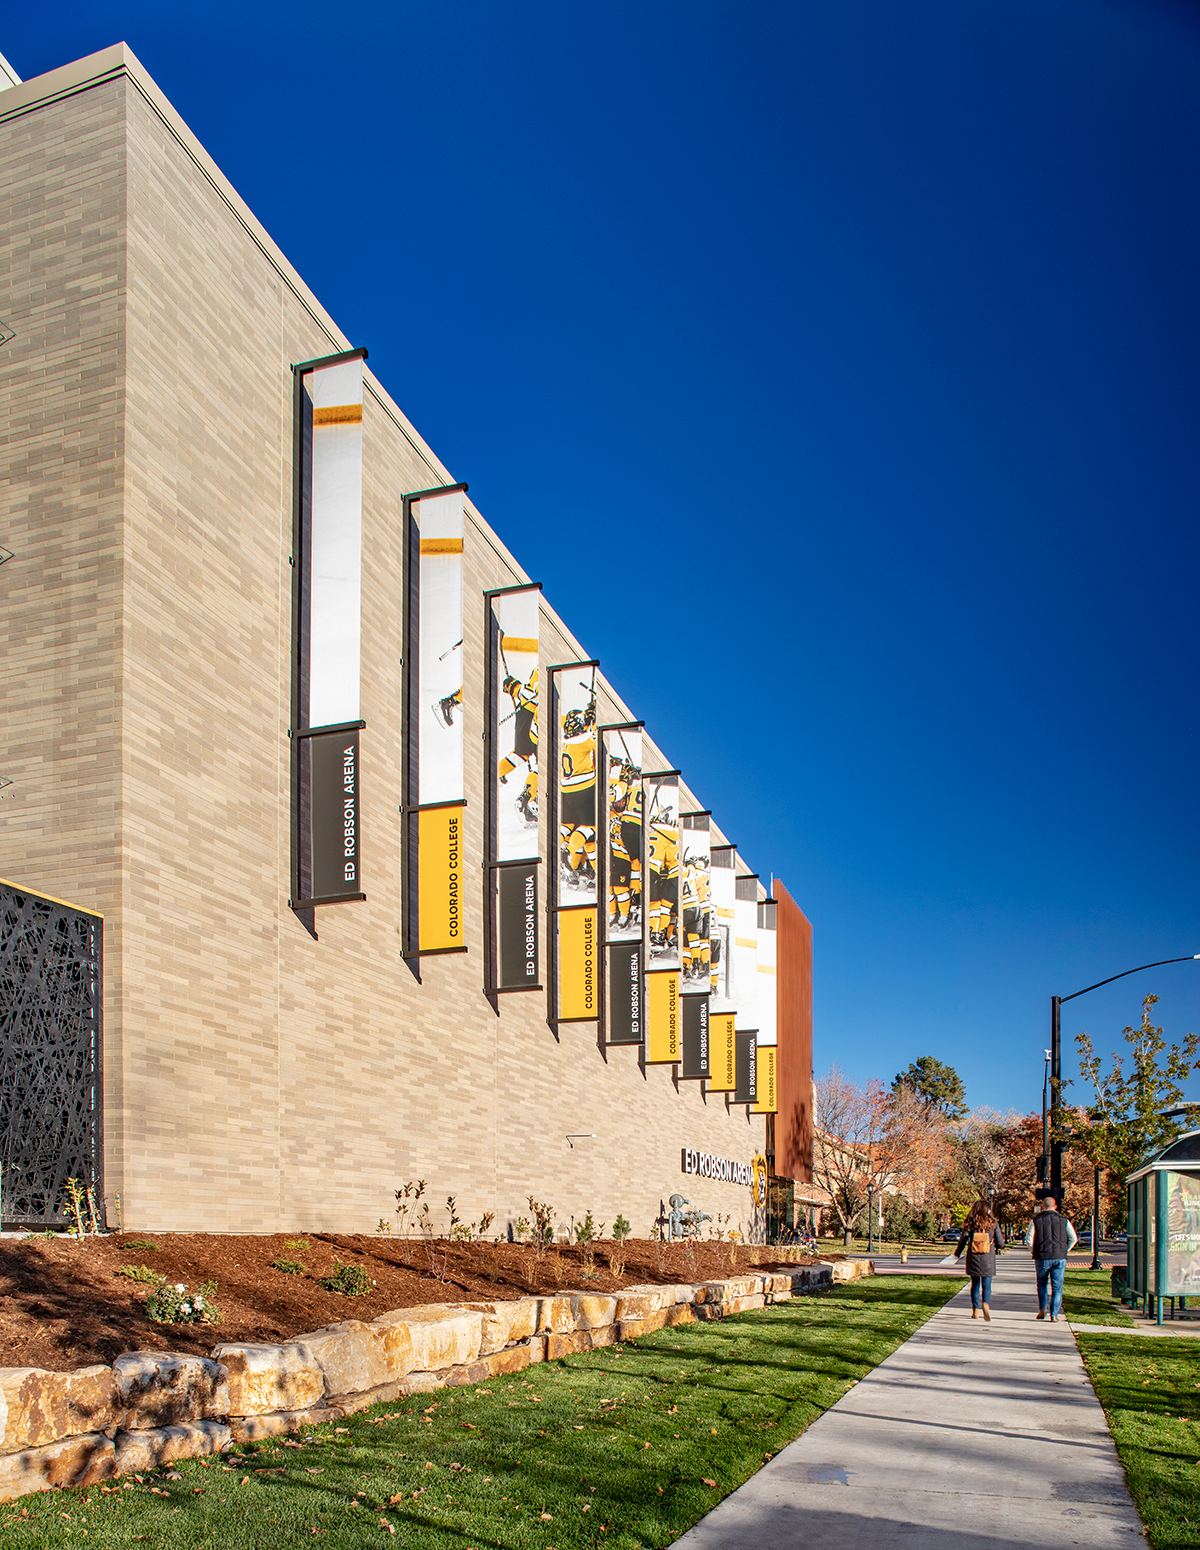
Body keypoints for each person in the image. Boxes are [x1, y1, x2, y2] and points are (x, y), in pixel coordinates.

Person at [1024, 1194, 1077, 1321]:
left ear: (1043, 1207)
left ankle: (1043, 1308)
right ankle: (1054, 1314)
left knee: (1041, 1284)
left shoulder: (1035, 1220)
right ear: (1055, 1207)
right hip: (1059, 1257)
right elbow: (1073, 1238)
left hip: (1042, 1256)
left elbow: (1029, 1240)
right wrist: (1065, 1250)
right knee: (1057, 1287)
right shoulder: (1064, 1221)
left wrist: (1034, 1252)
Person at [954, 1201, 1003, 1321]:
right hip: (988, 1257)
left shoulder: (970, 1223)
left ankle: (975, 1309)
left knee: (975, 1283)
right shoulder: (992, 1223)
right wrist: (997, 1246)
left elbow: (963, 1240)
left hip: (973, 1257)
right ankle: (985, 1304)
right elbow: (1000, 1243)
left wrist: (957, 1253)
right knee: (987, 1284)